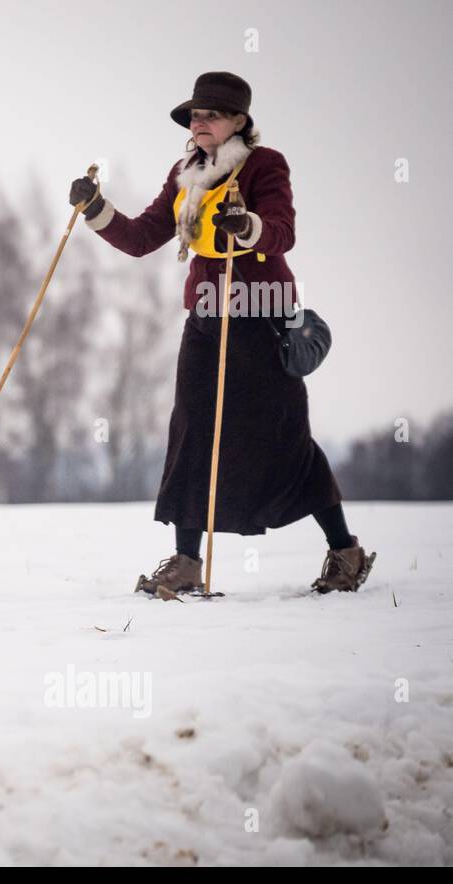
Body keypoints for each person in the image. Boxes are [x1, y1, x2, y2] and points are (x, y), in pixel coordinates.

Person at [68, 72, 375, 595]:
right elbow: (143, 237)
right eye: (194, 114)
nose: (199, 122)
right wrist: (95, 209)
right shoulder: (185, 173)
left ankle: (345, 551)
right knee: (191, 432)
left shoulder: (264, 166)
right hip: (206, 324)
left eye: (210, 114)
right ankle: (187, 562)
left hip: (262, 320)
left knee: (283, 439)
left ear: (238, 121)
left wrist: (248, 225)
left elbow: (283, 230)